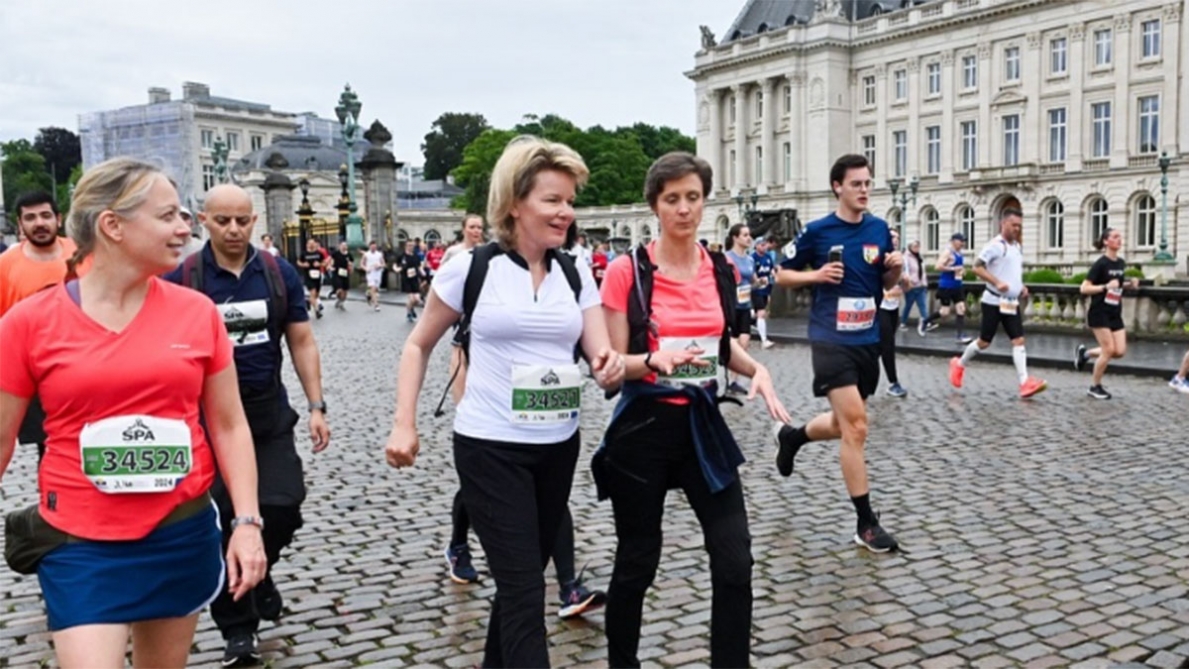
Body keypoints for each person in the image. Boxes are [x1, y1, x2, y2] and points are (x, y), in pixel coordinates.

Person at [0, 158, 266, 669]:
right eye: (168, 216)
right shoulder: (28, 323)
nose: (185, 228)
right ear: (113, 225)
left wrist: (248, 522)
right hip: (79, 541)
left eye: (183, 215)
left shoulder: (197, 313)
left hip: (179, 532)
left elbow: (230, 425)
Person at [384, 135, 623, 668]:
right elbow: (418, 343)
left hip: (557, 447)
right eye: (553, 200)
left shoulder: (574, 271)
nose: (566, 212)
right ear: (515, 204)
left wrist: (612, 364)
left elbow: (600, 351)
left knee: (519, 584)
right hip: (490, 448)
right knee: (522, 593)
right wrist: (405, 423)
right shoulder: (472, 269)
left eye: (570, 201)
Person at [597, 151, 789, 668]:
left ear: (705, 202)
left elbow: (719, 346)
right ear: (655, 206)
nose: (683, 209)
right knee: (638, 560)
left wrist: (757, 370)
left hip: (703, 424)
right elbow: (614, 366)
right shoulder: (626, 272)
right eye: (671, 199)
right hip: (644, 427)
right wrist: (651, 360)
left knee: (735, 561)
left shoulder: (721, 267)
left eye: (693, 197)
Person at [162, 184, 329, 667]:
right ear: (203, 221)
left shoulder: (278, 275)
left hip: (265, 415)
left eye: (242, 220)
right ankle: (239, 629)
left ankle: (258, 566)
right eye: (222, 221)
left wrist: (317, 404)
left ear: (254, 221)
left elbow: (300, 340)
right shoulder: (182, 278)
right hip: (205, 420)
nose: (233, 230)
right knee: (221, 523)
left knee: (282, 506)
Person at [772, 153, 904, 552]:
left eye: (868, 183)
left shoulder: (880, 229)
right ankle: (865, 523)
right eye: (856, 184)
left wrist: (895, 268)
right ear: (837, 187)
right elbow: (780, 273)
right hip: (831, 340)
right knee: (858, 427)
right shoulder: (817, 231)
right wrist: (815, 275)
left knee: (844, 424)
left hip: (868, 339)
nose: (865, 190)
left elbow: (884, 281)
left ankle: (793, 437)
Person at [0, 191, 80, 462]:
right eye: (30, 218)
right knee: (49, 448)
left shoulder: (82, 252)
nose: (39, 223)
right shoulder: (6, 265)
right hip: (33, 373)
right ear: (20, 224)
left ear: (58, 219)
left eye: (46, 215)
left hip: (83, 364)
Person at [948, 207, 1048, 398]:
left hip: (1010, 302)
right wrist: (997, 282)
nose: (1017, 229)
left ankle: (1025, 383)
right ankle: (958, 364)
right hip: (993, 301)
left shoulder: (1017, 247)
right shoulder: (995, 245)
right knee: (984, 342)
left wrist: (1021, 287)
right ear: (1003, 224)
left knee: (1018, 340)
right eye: (1013, 225)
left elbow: (1011, 272)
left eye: (1019, 226)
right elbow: (976, 267)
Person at [1074, 227, 1139, 400]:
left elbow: (1115, 284)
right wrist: (1104, 287)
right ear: (1106, 241)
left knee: (1119, 351)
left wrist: (1128, 284)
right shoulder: (1100, 264)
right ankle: (1094, 387)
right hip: (1099, 312)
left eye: (1120, 237)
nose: (1119, 239)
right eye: (1115, 237)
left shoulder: (1120, 263)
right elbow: (1084, 288)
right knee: (1108, 350)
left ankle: (1085, 354)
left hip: (1114, 311)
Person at [921, 232, 971, 344]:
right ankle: (925, 321)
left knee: (961, 308)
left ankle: (960, 336)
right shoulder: (948, 252)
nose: (963, 243)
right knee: (945, 312)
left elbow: (958, 268)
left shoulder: (960, 253)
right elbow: (938, 266)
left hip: (957, 285)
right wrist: (954, 269)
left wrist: (962, 271)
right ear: (954, 241)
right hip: (946, 286)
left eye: (964, 241)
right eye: (961, 241)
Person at [724, 223, 756, 394]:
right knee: (733, 343)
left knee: (744, 343)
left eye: (749, 234)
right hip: (731, 306)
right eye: (744, 235)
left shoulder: (750, 259)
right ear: (735, 238)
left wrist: (761, 282)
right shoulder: (727, 258)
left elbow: (753, 280)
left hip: (745, 305)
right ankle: (729, 379)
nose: (748, 238)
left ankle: (733, 380)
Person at [879, 227, 909, 398]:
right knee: (888, 345)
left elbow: (908, 287)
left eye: (897, 237)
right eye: (891, 237)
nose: (895, 240)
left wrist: (905, 281)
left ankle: (859, 374)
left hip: (894, 307)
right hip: (880, 306)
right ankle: (893, 383)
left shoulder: (901, 259)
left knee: (878, 347)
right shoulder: (880, 257)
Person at [900, 240, 932, 335]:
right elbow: (905, 271)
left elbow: (923, 271)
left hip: (921, 285)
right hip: (911, 286)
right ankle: (903, 322)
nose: (917, 248)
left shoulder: (919, 257)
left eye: (918, 246)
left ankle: (926, 322)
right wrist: (909, 281)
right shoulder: (905, 257)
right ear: (910, 247)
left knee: (923, 305)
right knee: (908, 305)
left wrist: (924, 282)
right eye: (914, 246)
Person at [751, 236, 776, 349]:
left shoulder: (768, 257)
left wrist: (773, 275)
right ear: (756, 246)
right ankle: (764, 340)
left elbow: (771, 269)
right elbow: (751, 274)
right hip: (756, 289)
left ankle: (751, 321)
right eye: (762, 245)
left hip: (766, 288)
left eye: (765, 244)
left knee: (759, 313)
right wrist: (757, 281)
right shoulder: (752, 258)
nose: (764, 247)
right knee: (761, 313)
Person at [295, 238, 326, 319]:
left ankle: (309, 302)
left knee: (316, 294)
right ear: (307, 245)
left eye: (313, 243)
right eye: (310, 243)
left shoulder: (319, 253)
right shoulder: (304, 254)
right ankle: (317, 311)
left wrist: (319, 264)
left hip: (317, 275)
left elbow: (325, 262)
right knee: (313, 292)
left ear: (315, 244)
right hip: (308, 276)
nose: (311, 245)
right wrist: (303, 264)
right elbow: (298, 262)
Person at [397, 239, 424, 322]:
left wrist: (422, 272)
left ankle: (411, 308)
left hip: (415, 279)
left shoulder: (416, 256)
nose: (411, 247)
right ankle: (409, 312)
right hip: (406, 279)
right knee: (412, 299)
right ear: (406, 246)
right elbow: (395, 264)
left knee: (417, 299)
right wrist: (397, 269)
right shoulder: (402, 256)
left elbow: (419, 266)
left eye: (412, 245)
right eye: (409, 245)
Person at [329, 240, 353, 311]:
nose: (344, 247)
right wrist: (330, 266)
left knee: (345, 292)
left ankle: (340, 302)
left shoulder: (349, 255)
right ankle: (338, 297)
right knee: (339, 290)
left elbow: (351, 263)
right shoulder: (336, 253)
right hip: (337, 273)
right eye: (342, 245)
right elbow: (330, 260)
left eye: (345, 246)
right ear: (339, 246)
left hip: (345, 273)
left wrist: (351, 269)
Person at [362, 240, 385, 311]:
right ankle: (376, 305)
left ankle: (369, 295)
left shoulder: (379, 254)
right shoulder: (366, 254)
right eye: (372, 247)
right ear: (369, 247)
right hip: (370, 273)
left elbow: (384, 264)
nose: (373, 248)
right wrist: (366, 269)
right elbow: (362, 264)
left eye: (374, 247)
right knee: (373, 288)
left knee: (376, 289)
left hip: (378, 273)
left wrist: (380, 266)